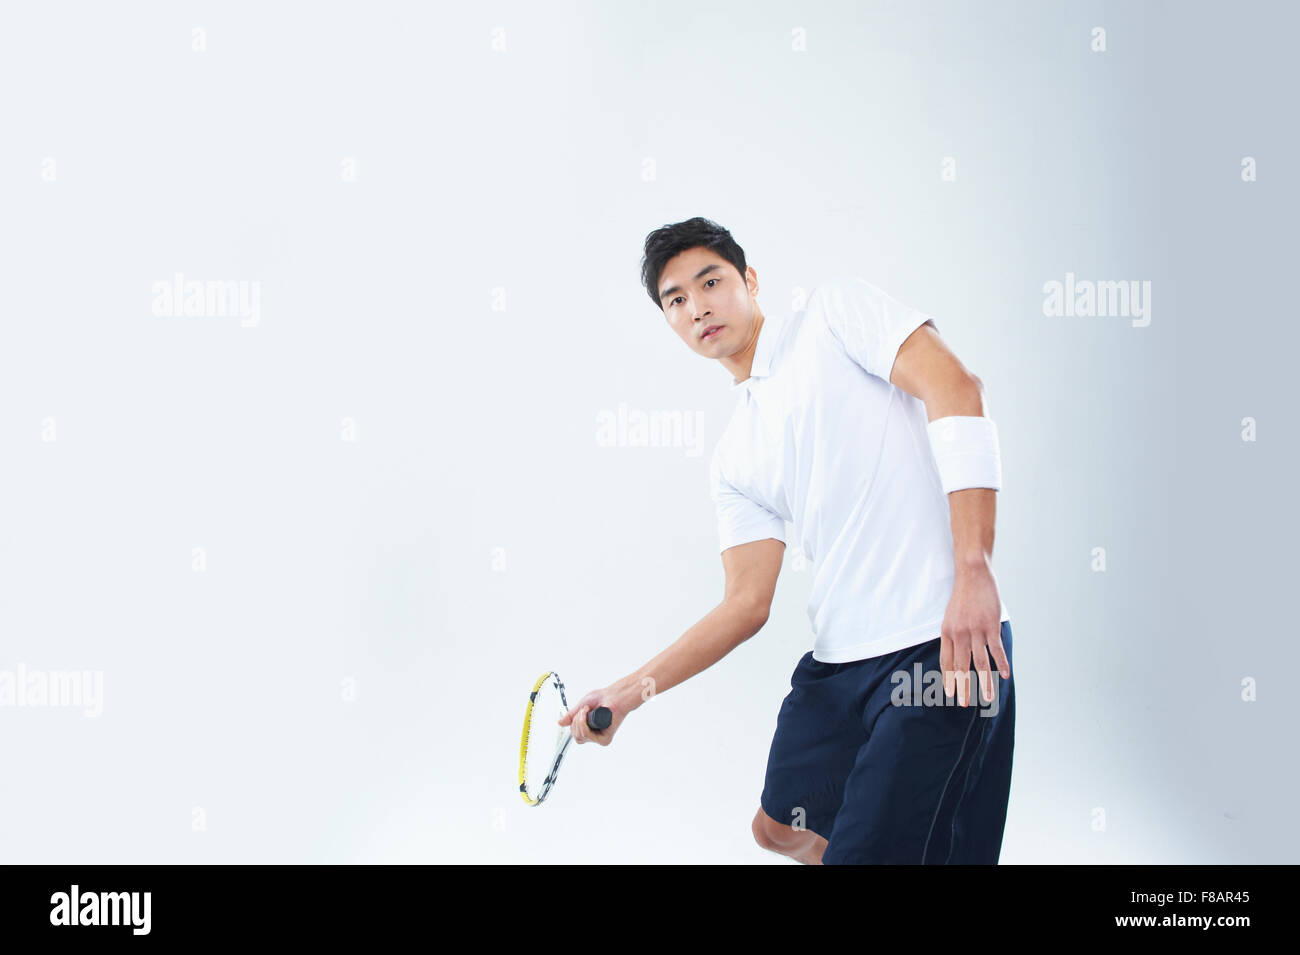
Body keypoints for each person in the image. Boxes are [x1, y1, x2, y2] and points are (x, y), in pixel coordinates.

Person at [559, 217, 1015, 865]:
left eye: (710, 281)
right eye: (676, 300)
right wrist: (625, 694)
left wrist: (974, 569)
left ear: (749, 279)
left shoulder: (832, 315)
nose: (698, 307)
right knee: (775, 828)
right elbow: (745, 603)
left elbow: (957, 388)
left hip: (935, 646)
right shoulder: (734, 457)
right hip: (835, 669)